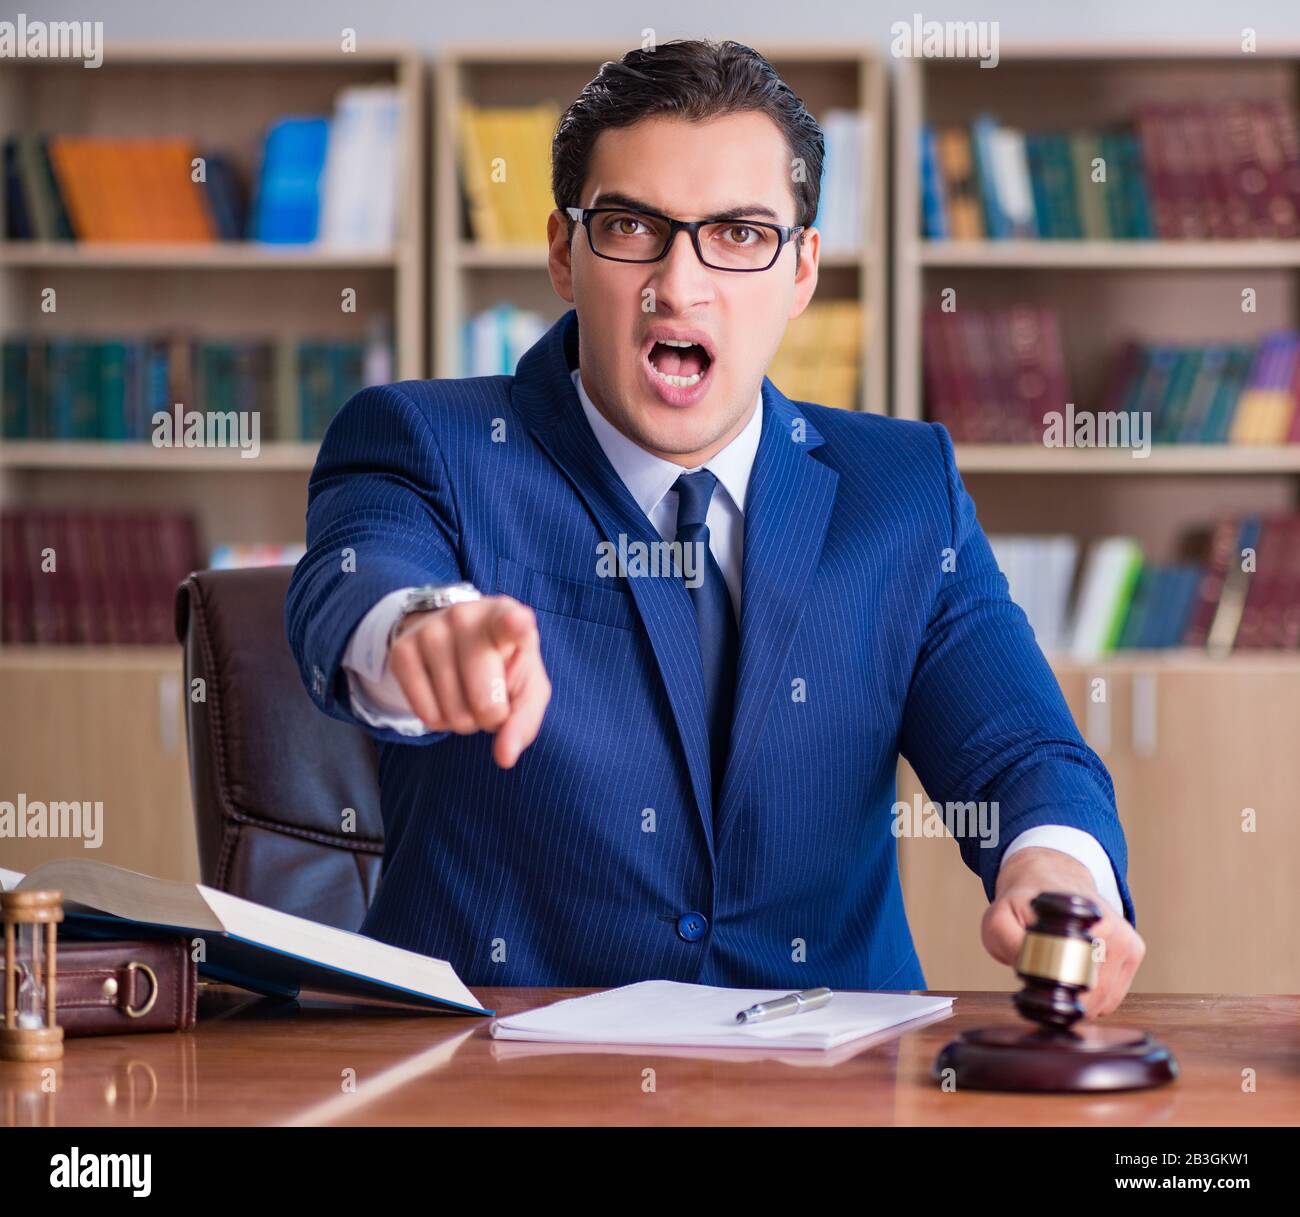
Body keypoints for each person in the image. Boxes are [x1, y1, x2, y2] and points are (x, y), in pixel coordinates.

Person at [286, 39, 1144, 1013]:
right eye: (630, 226)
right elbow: (351, 587)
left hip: (833, 1082)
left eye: (737, 234)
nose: (680, 285)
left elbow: (1022, 753)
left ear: (801, 270)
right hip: (498, 1075)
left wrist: (1055, 868)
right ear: (564, 254)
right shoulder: (431, 441)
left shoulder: (902, 491)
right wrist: (416, 633)